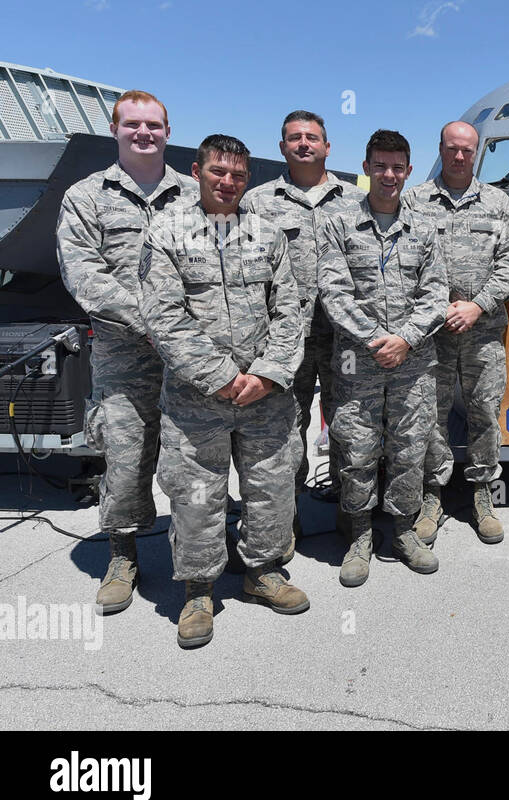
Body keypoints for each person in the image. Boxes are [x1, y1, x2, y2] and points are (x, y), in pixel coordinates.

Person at [139, 135, 308, 649]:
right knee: (196, 497)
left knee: (272, 488)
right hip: (197, 401)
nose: (228, 182)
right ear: (197, 171)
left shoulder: (268, 234)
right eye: (218, 172)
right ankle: (197, 588)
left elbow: (290, 310)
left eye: (237, 174)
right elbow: (163, 317)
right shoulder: (166, 232)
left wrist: (267, 373)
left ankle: (263, 573)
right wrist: (221, 377)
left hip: (266, 397)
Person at [56, 90, 196, 616]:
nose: (144, 133)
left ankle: (196, 558)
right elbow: (83, 273)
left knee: (191, 459)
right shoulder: (86, 196)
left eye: (154, 125)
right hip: (121, 354)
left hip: (187, 353)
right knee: (125, 455)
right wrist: (149, 321)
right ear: (115, 129)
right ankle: (123, 554)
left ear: (167, 130)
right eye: (133, 124)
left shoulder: (192, 195)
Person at [317, 130, 447, 585]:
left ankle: (404, 530)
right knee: (356, 450)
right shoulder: (338, 223)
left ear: (409, 172)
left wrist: (406, 339)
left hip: (414, 363)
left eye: (397, 167)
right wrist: (377, 338)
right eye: (380, 166)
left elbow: (436, 294)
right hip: (358, 363)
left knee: (410, 448)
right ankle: (358, 534)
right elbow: (333, 292)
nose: (389, 175)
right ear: (367, 167)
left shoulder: (426, 226)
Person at [245, 111, 363, 554]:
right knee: (283, 433)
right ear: (282, 148)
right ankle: (283, 525)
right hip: (284, 341)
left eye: (313, 137)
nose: (304, 144)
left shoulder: (353, 200)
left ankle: (353, 521)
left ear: (328, 147)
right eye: (294, 138)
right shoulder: (257, 202)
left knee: (351, 427)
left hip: (344, 340)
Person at [403, 121, 509, 545]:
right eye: (452, 149)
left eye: (467, 151)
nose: (459, 157)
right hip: (430, 334)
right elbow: (404, 263)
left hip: (483, 331)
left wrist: (477, 306)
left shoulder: (497, 203)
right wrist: (436, 310)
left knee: (484, 411)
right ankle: (432, 493)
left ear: (477, 153)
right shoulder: (414, 200)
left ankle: (482, 492)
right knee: (429, 414)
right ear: (441, 149)